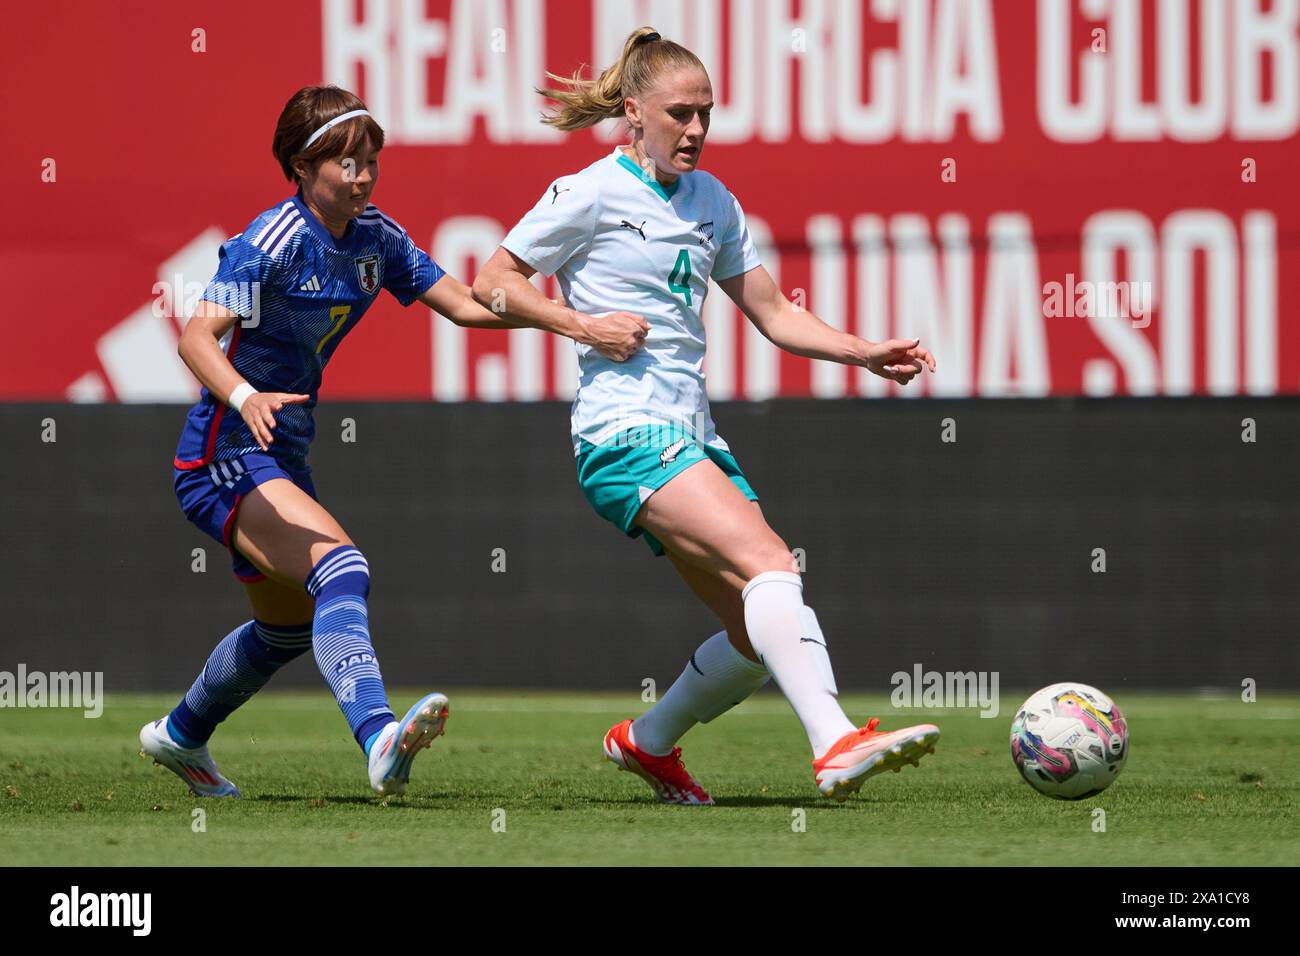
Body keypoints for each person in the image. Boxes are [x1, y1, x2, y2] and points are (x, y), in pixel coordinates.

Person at [473, 28, 941, 804]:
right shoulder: (588, 191)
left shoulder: (713, 200)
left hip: (690, 434)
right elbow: (494, 281)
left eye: (706, 114)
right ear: (634, 113)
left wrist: (861, 352)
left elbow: (773, 311)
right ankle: (834, 743)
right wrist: (581, 324)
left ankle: (647, 743)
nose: (694, 130)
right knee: (771, 565)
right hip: (623, 433)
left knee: (756, 637)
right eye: (679, 114)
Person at [142, 85, 523, 798]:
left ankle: (181, 734)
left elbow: (469, 306)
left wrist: (565, 320)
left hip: (280, 458)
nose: (363, 176)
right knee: (342, 569)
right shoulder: (273, 242)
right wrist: (247, 395)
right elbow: (197, 337)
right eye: (345, 162)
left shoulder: (376, 238)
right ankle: (379, 737)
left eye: (370, 160)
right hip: (220, 455)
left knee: (285, 630)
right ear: (299, 166)